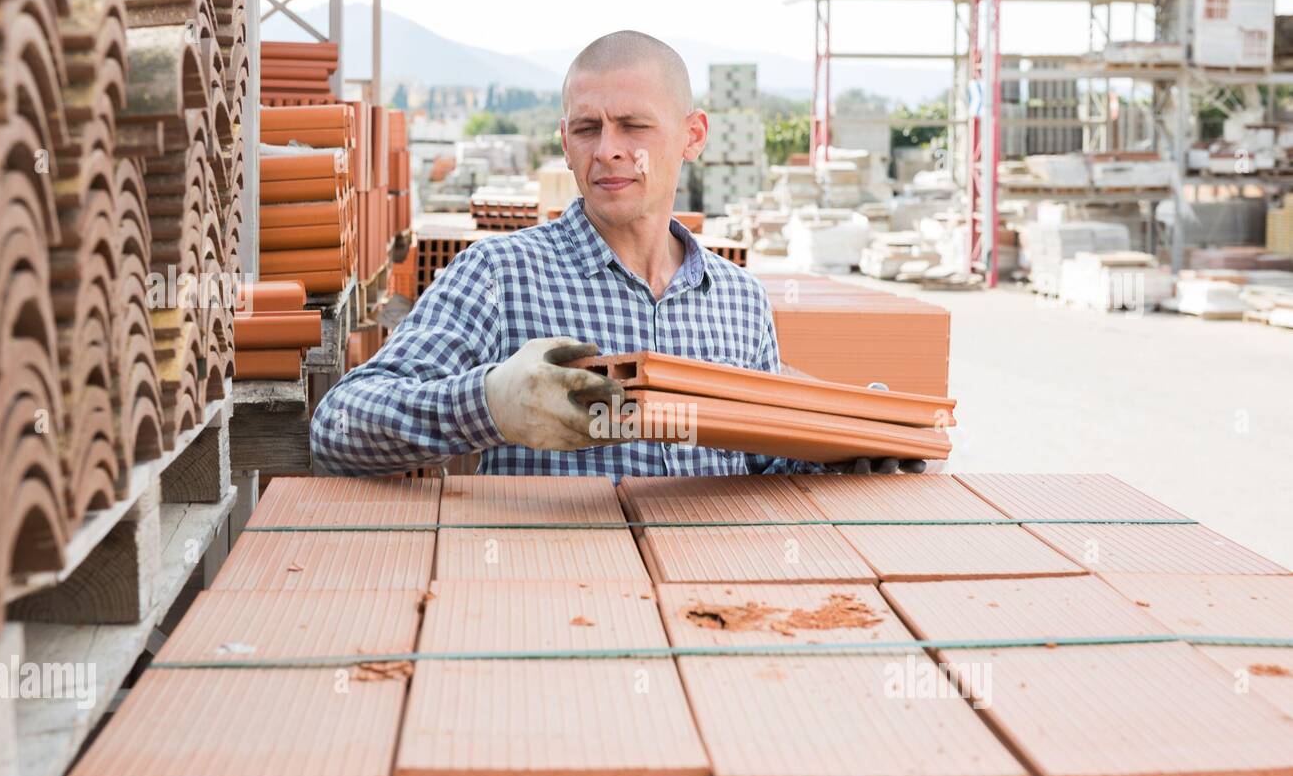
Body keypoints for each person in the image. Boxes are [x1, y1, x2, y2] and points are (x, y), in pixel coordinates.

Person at [310, 29, 924, 479]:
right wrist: (488, 402)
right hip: (557, 612)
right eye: (586, 129)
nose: (608, 149)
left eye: (634, 126)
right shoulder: (499, 276)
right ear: (566, 143)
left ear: (693, 136)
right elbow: (336, 427)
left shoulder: (740, 301)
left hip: (701, 613)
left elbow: (759, 461)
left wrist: (852, 439)